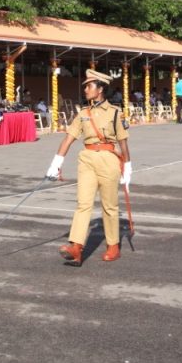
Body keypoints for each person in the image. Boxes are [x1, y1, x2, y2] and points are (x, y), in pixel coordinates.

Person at [47, 69, 131, 267]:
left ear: (100, 89)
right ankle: (76, 247)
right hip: (87, 159)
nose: (85, 89)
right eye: (85, 86)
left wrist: (127, 165)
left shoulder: (114, 112)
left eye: (89, 86)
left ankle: (113, 245)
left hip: (109, 159)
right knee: (83, 203)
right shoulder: (83, 114)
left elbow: (123, 141)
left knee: (109, 206)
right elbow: (69, 138)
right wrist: (57, 162)